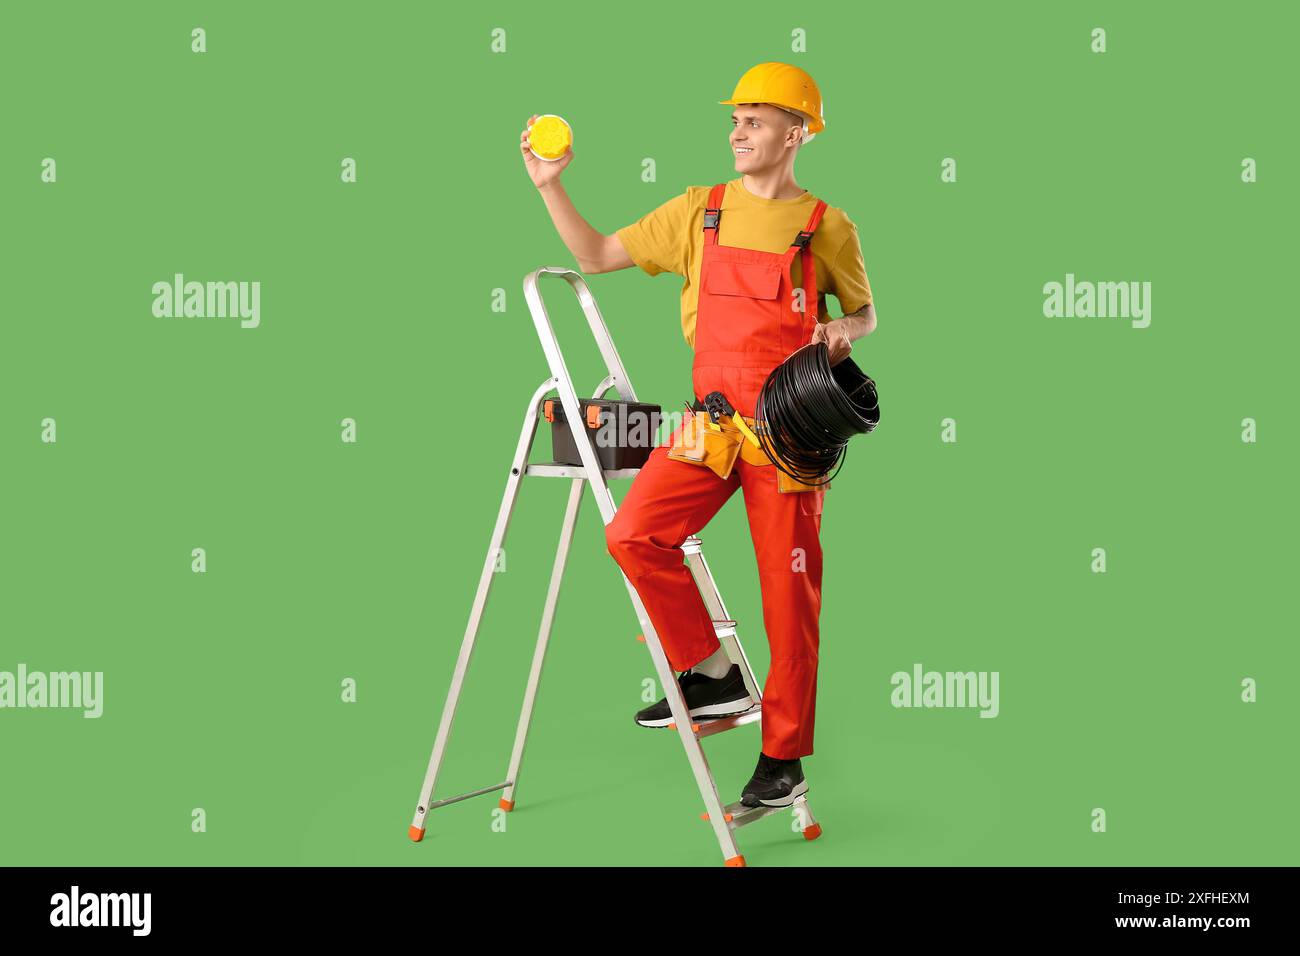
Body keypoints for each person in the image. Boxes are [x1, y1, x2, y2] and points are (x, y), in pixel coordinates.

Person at [519, 62, 877, 808]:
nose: (737, 132)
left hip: (789, 436)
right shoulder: (698, 209)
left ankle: (782, 760)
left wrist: (842, 328)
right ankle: (713, 675)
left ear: (797, 131)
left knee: (790, 604)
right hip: (708, 425)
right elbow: (597, 257)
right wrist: (550, 183)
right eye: (736, 119)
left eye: (754, 120)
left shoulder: (826, 226)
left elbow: (866, 314)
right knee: (632, 535)